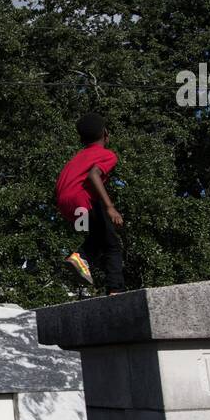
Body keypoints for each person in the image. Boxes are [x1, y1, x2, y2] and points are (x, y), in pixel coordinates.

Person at [55, 113, 125, 295]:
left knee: (98, 237)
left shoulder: (77, 157)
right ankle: (115, 290)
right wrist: (110, 207)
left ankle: (81, 258)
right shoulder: (106, 155)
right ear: (106, 133)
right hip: (81, 199)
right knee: (112, 245)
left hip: (66, 205)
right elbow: (94, 175)